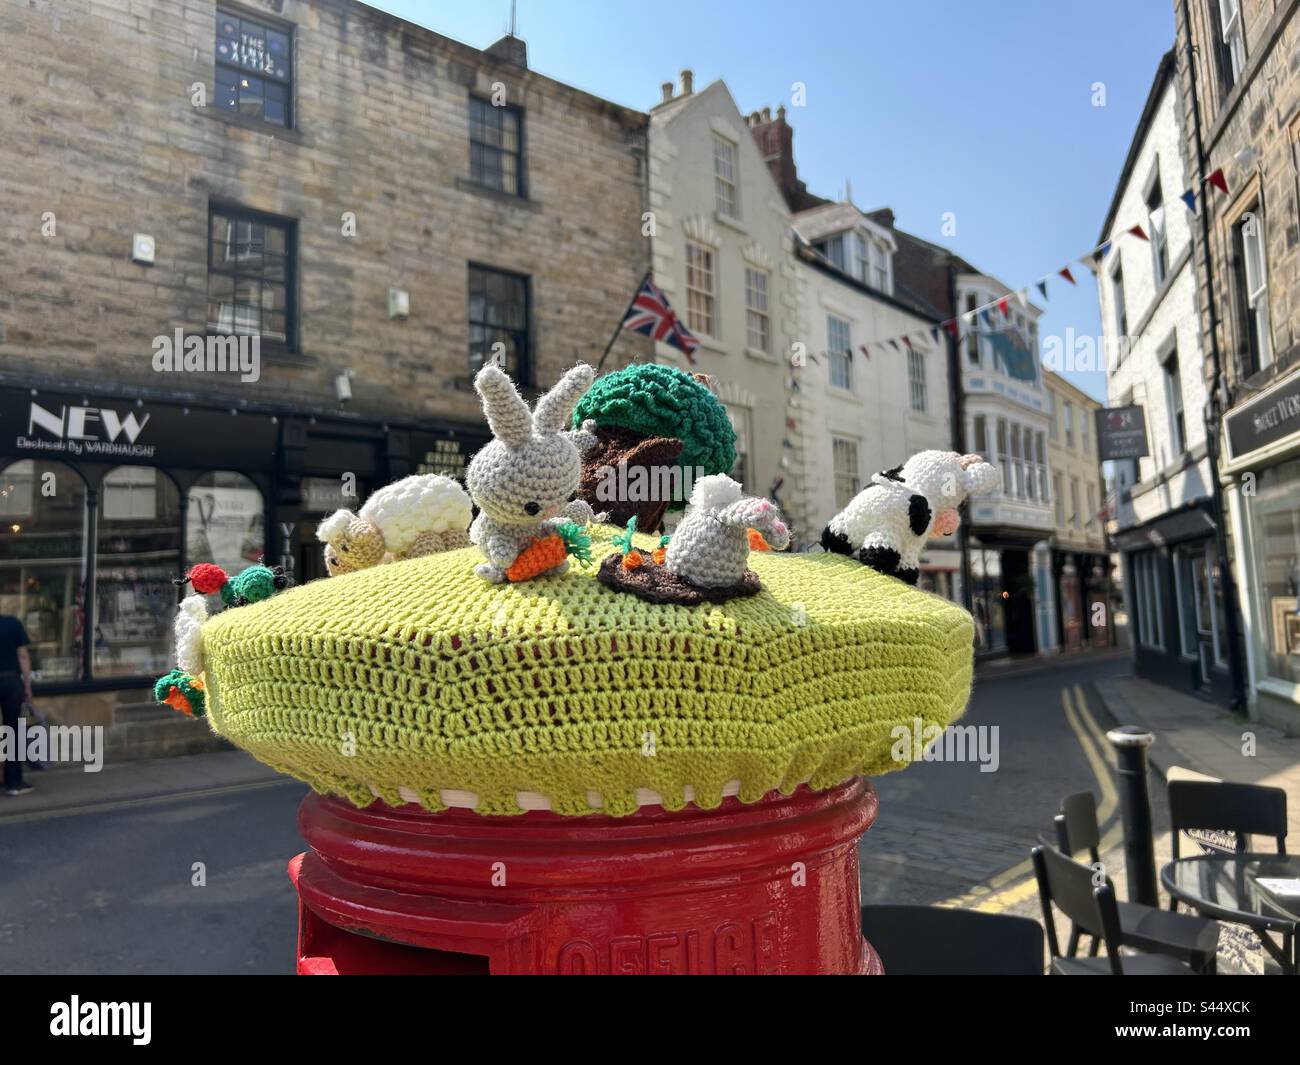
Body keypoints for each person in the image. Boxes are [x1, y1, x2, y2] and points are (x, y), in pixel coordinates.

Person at [0, 612, 34, 796]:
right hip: (11, 682)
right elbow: (23, 656)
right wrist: (27, 685)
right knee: (12, 732)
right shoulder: (13, 624)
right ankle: (13, 782)